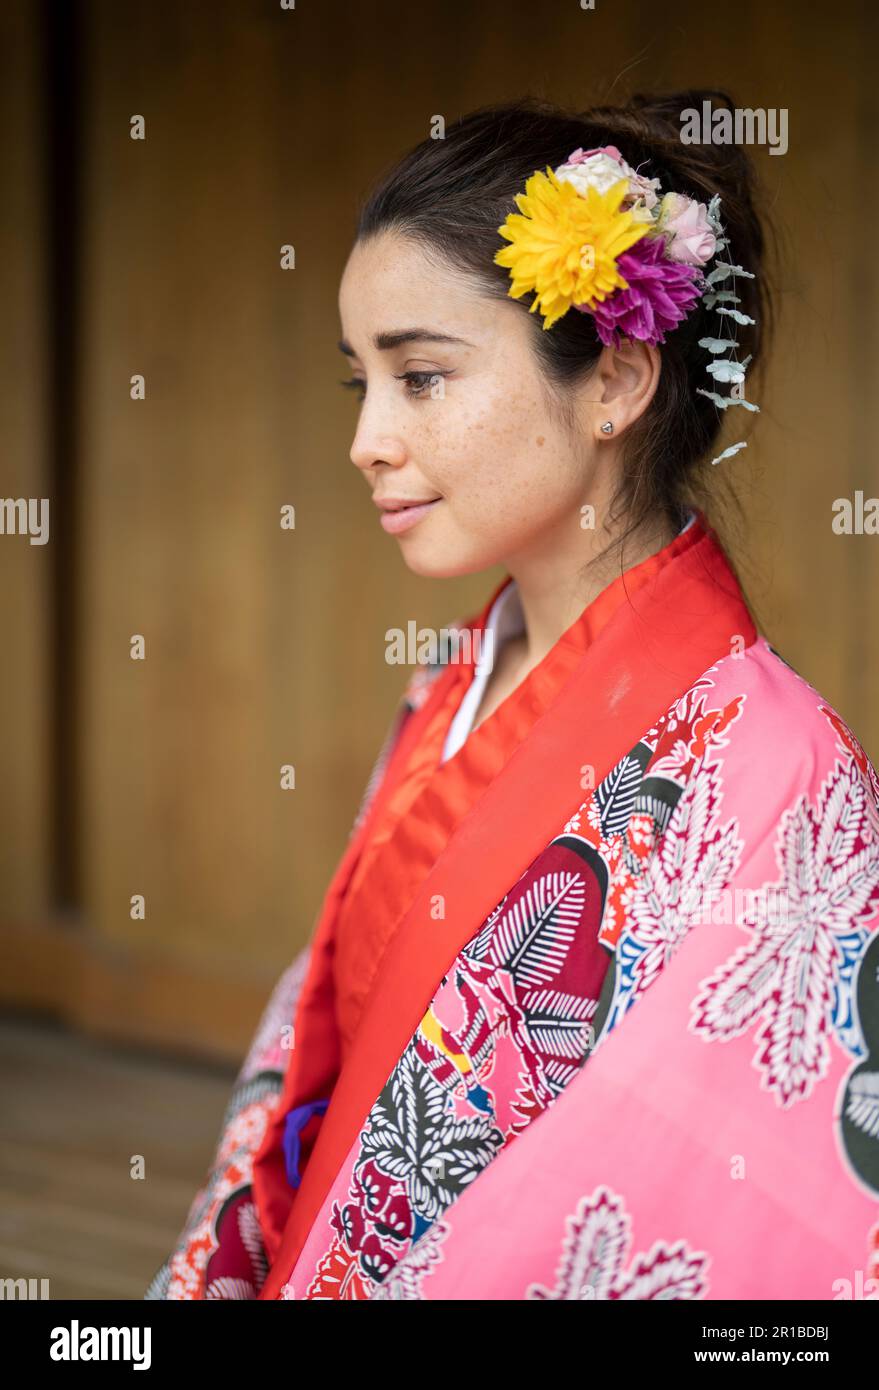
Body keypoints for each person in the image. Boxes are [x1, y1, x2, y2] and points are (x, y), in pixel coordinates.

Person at [146, 92, 879, 1302]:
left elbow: (751, 1197)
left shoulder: (780, 772)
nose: (369, 440)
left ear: (617, 380)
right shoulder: (458, 675)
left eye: (422, 378)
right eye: (360, 386)